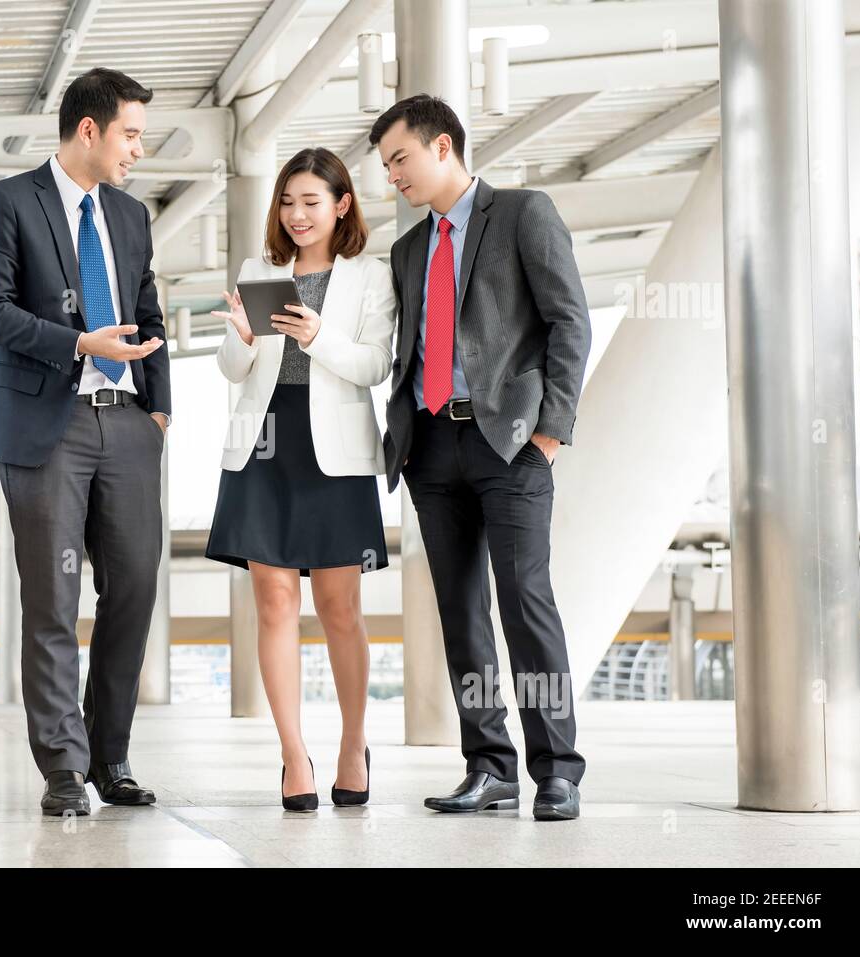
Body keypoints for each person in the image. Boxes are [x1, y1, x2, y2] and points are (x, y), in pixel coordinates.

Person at [370, 94, 591, 821]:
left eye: (399, 158)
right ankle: (489, 765)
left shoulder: (523, 214)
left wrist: (551, 431)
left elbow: (568, 321)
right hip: (432, 447)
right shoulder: (407, 250)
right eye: (386, 165)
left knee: (527, 604)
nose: (393, 175)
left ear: (442, 147)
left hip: (511, 443)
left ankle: (557, 769)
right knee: (462, 615)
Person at [0, 68, 171, 816]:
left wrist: (157, 414)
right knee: (53, 601)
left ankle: (110, 754)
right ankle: (64, 767)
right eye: (130, 133)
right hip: (48, 428)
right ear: (89, 130)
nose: (138, 149)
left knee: (132, 589)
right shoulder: (8, 202)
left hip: (126, 426)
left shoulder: (130, 215)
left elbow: (150, 311)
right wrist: (75, 342)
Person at [206, 148, 396, 811]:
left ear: (342, 203)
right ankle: (293, 754)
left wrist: (315, 336)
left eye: (311, 201)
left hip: (335, 449)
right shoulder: (261, 269)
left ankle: (352, 744)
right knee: (275, 602)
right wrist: (242, 338)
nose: (297, 215)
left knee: (341, 608)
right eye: (288, 201)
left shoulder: (371, 275)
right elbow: (235, 369)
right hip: (265, 443)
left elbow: (375, 366)